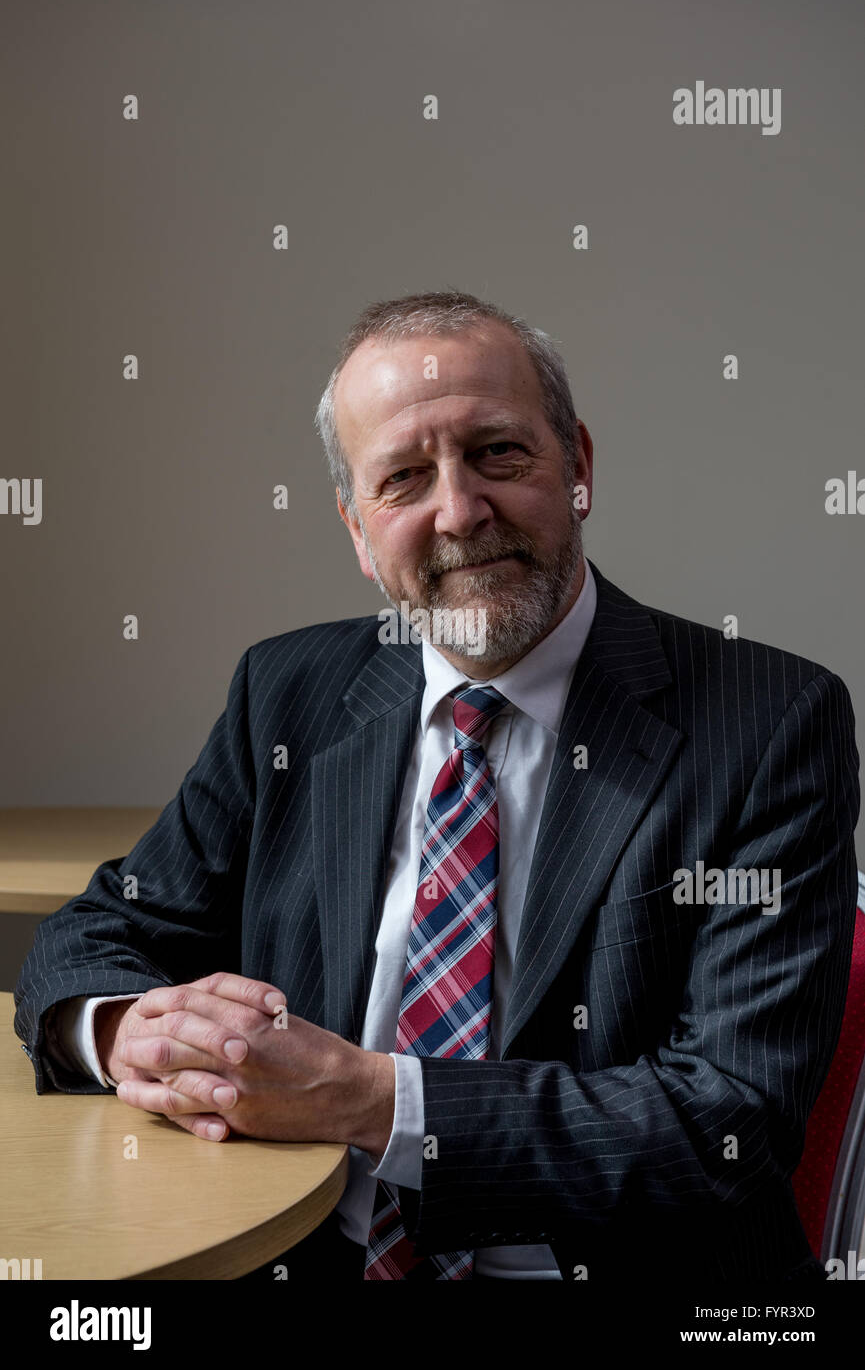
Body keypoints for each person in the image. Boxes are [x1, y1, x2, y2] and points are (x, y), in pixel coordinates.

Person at [14, 289, 860, 1283]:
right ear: (358, 530)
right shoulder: (288, 694)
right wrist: (121, 1030)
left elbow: (727, 1121)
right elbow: (103, 927)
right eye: (404, 478)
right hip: (303, 1256)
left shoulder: (768, 721)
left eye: (497, 453)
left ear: (578, 467)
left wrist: (370, 1099)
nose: (458, 511)